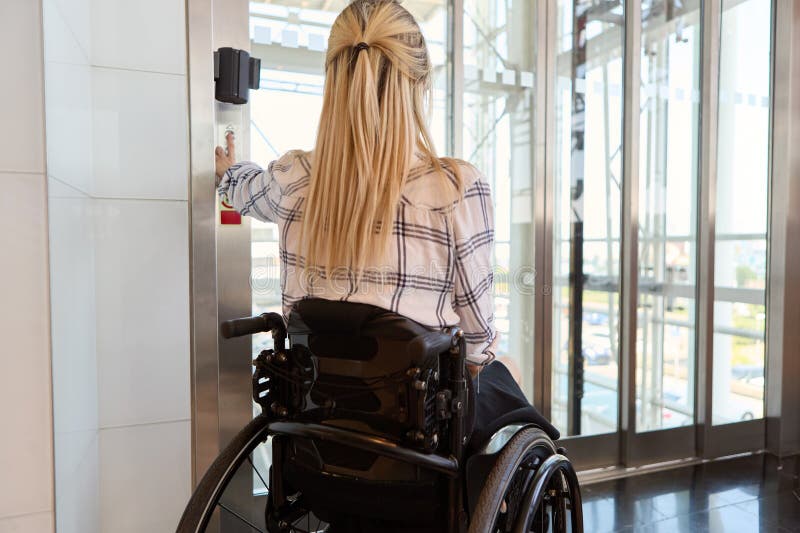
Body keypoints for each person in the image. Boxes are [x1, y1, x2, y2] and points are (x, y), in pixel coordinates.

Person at [215, 0, 557, 529]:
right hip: (418, 465)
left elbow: (242, 188)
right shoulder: (456, 190)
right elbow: (476, 338)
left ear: (334, 80)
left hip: (318, 455)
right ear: (417, 85)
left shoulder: (294, 181)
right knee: (503, 372)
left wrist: (227, 170)